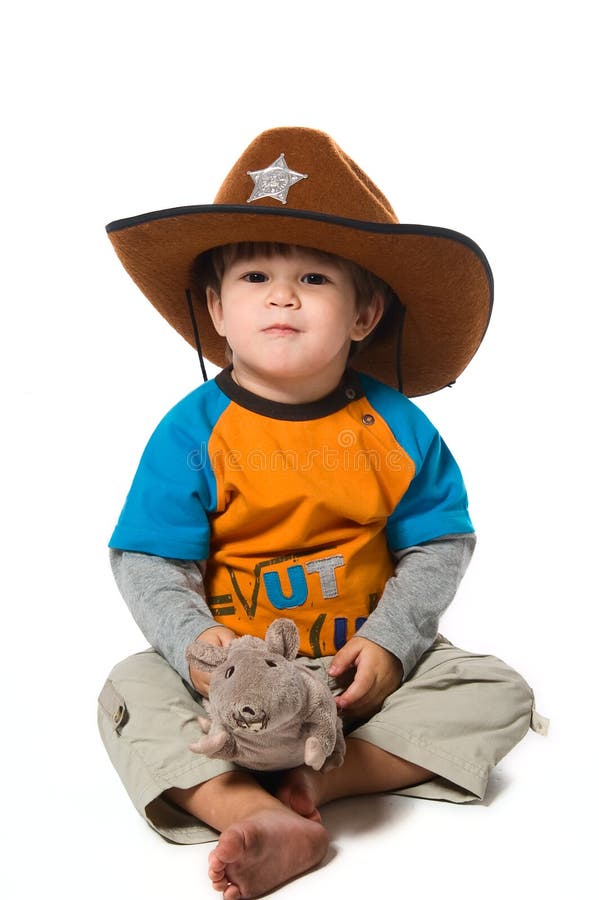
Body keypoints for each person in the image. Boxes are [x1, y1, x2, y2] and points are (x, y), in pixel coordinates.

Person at [98, 127, 547, 900]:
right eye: (254, 276)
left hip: (354, 681)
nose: (281, 295)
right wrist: (196, 646)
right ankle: (245, 807)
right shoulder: (192, 433)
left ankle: (325, 783)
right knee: (130, 687)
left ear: (364, 313)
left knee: (495, 687)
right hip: (233, 689)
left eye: (311, 276)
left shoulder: (395, 427)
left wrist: (390, 648)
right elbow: (149, 560)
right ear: (216, 308)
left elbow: (439, 544)